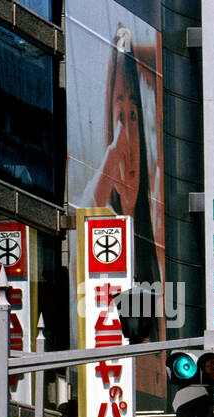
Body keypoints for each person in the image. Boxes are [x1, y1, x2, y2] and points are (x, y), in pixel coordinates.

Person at [78, 25, 163, 287]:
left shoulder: (159, 213)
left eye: (134, 117)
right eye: (120, 118)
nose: (126, 139)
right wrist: (113, 154)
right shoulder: (100, 217)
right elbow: (82, 219)